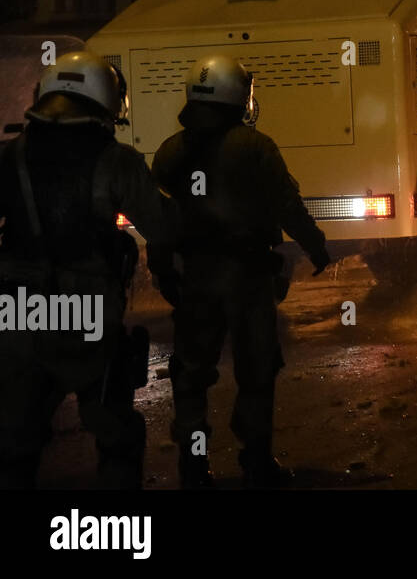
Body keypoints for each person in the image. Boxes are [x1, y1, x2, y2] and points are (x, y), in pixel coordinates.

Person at [149, 56, 332, 488]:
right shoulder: (256, 147)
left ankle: (194, 466)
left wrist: (163, 270)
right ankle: (256, 463)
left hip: (196, 278)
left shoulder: (171, 151)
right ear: (238, 96)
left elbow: (159, 219)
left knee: (191, 376)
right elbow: (288, 205)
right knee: (256, 370)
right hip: (249, 279)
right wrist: (317, 248)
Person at [0, 50, 179, 488]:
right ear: (106, 100)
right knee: (115, 432)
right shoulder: (118, 161)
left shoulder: (10, 157)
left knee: (14, 440)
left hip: (17, 312)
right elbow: (162, 228)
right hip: (89, 313)